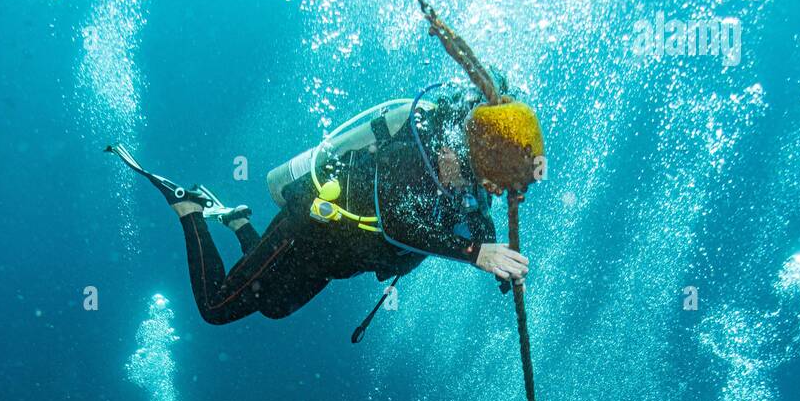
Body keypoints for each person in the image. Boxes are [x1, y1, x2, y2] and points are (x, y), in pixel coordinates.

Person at [105, 85, 544, 325]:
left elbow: (477, 218)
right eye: (496, 182)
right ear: (475, 151)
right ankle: (189, 211)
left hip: (332, 260)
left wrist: (500, 267)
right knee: (217, 309)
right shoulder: (420, 148)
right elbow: (397, 219)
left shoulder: (468, 175)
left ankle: (240, 224)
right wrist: (474, 254)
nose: (494, 190)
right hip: (307, 228)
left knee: (274, 308)